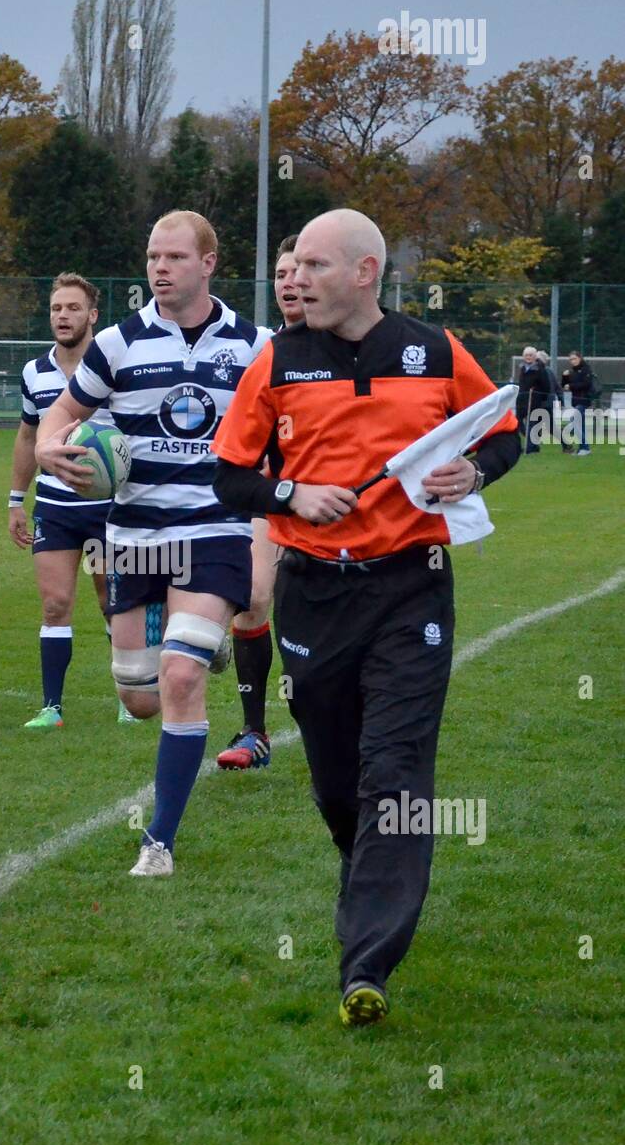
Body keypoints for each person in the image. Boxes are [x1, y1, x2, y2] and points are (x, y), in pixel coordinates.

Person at [212, 208, 521, 1027]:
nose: (294, 279)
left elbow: (504, 429)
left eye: (312, 266)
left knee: (394, 770)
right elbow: (229, 475)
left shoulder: (435, 350)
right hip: (312, 592)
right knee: (337, 779)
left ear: (363, 273)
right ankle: (369, 864)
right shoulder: (276, 359)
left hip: (410, 590)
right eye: (294, 267)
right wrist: (290, 495)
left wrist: (474, 472)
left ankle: (367, 964)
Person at [35, 210, 271, 876]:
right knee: (138, 699)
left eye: (172, 257)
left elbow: (289, 429)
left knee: (179, 679)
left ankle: (159, 841)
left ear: (207, 263)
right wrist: (53, 448)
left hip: (213, 528)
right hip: (133, 536)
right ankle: (199, 638)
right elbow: (64, 413)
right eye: (151, 258)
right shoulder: (117, 343)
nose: (159, 269)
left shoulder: (255, 347)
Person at [9, 273, 134, 727]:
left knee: (112, 602)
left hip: (108, 508)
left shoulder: (111, 368)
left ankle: (129, 697)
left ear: (92, 316)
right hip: (56, 507)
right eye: (57, 309)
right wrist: (15, 499)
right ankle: (52, 708)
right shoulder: (34, 372)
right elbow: (26, 438)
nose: (63, 316)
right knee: (54, 604)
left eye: (73, 308)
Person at [217, 234, 302, 771]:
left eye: (301, 271)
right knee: (252, 598)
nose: (290, 282)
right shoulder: (261, 350)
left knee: (315, 619)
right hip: (270, 498)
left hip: (341, 506)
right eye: (281, 272)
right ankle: (254, 731)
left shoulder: (353, 346)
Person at [515, 346, 549, 454]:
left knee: (532, 423)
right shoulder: (522, 368)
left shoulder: (540, 369)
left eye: (530, 355)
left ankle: (530, 448)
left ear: (535, 357)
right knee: (518, 422)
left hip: (534, 400)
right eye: (526, 355)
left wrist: (540, 396)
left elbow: (546, 385)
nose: (528, 357)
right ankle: (531, 444)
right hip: (522, 399)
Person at [562, 350, 594, 456]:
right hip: (576, 401)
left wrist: (571, 386)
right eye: (571, 359)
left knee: (575, 420)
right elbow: (564, 385)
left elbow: (586, 384)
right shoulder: (572, 371)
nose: (573, 361)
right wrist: (564, 377)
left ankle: (585, 447)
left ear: (579, 358)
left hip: (584, 400)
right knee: (580, 424)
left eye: (574, 358)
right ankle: (582, 449)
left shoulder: (586, 369)